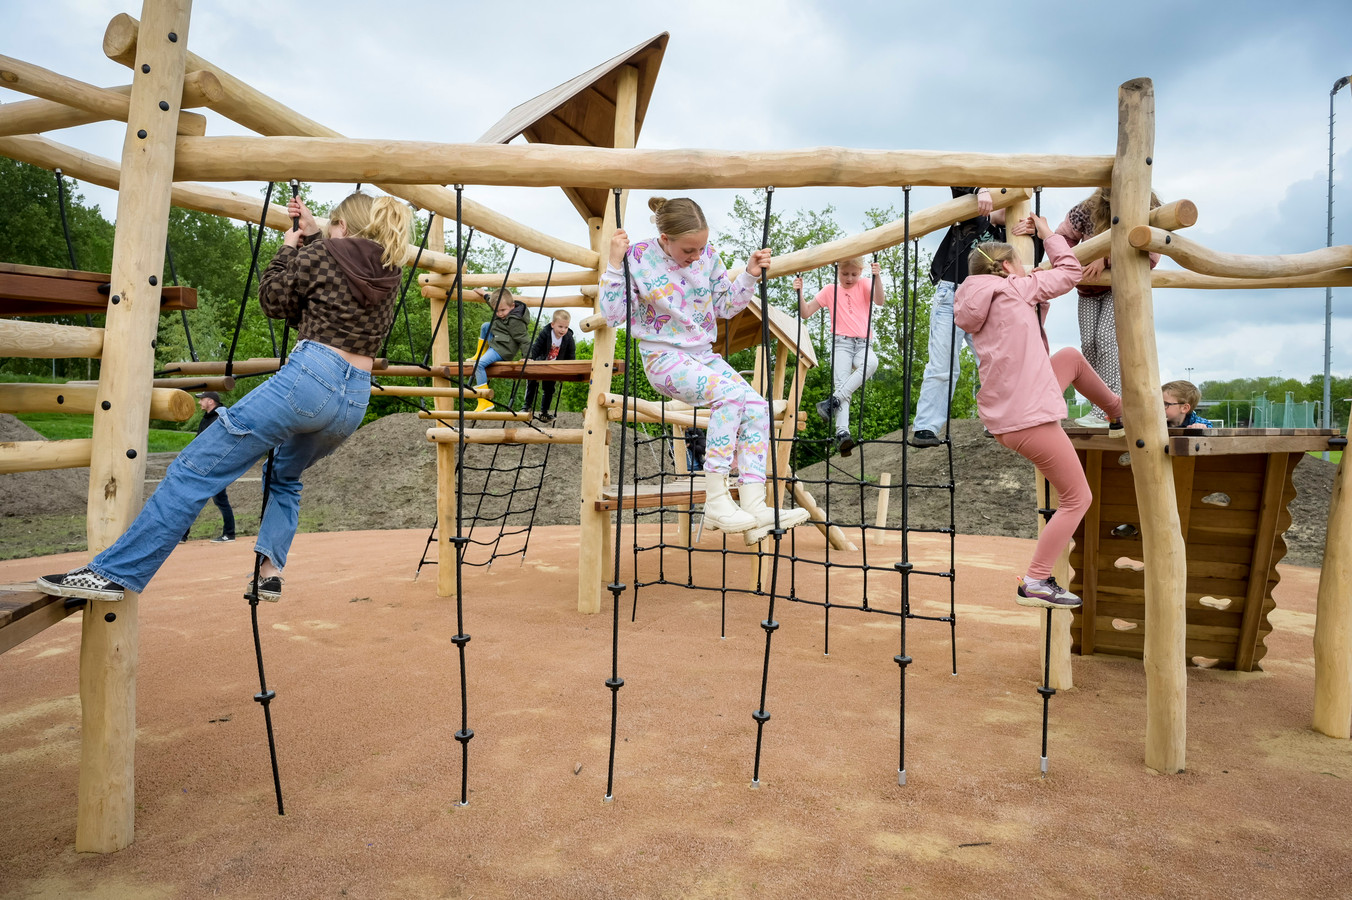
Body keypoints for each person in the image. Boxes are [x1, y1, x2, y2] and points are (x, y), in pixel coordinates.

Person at [39, 190, 412, 603]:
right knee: (285, 477)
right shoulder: (388, 270)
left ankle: (114, 573)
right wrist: (317, 230)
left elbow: (273, 299)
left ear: (340, 227)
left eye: (331, 225)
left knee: (195, 469)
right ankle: (270, 570)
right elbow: (336, 272)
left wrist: (288, 247)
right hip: (353, 399)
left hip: (312, 377)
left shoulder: (320, 256)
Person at [599, 196, 809, 544]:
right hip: (663, 358)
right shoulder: (637, 257)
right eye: (689, 250)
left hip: (702, 355)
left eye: (701, 247)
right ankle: (716, 498)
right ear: (665, 238)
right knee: (729, 396)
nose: (696, 256)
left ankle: (755, 504)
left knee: (756, 405)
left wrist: (750, 273)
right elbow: (613, 316)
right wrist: (612, 263)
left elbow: (726, 305)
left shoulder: (708, 256)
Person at [954, 214, 1124, 608]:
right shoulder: (1015, 288)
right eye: (1020, 264)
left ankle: (1117, 411)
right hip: (1028, 417)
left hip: (1009, 410)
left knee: (1069, 358)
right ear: (1008, 267)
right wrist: (1049, 234)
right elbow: (1069, 271)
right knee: (1077, 499)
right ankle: (1036, 579)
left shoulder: (976, 300)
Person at [1055, 187, 1162, 426]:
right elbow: (1062, 238)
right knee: (1089, 345)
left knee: (1105, 338)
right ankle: (1099, 403)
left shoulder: (1148, 212)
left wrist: (1104, 259)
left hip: (1120, 286)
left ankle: (1113, 405)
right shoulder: (1086, 210)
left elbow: (1151, 256)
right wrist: (1076, 258)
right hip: (1089, 289)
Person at [909, 186, 1006, 449]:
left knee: (993, 360)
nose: (1009, 213)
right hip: (952, 292)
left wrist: (1034, 234)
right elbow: (956, 183)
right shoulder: (976, 214)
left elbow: (1031, 263)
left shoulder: (1008, 238)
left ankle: (996, 420)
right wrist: (980, 191)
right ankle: (926, 427)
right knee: (943, 365)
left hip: (984, 301)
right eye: (1007, 205)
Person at [793, 256, 885, 457]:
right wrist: (799, 292)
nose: (849, 278)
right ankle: (842, 433)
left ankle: (831, 402)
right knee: (843, 383)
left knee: (871, 363)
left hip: (863, 343)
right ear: (837, 271)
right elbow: (806, 312)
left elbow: (880, 300)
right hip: (841, 343)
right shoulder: (830, 290)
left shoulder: (865, 284)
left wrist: (876, 276)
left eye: (854, 274)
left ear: (860, 273)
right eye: (845, 274)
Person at [179, 391, 236, 544]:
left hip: (213, 467)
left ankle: (229, 534)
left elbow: (215, 444)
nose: (199, 403)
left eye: (202, 400)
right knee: (197, 498)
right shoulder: (208, 418)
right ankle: (183, 535)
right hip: (203, 465)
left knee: (216, 500)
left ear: (211, 401)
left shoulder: (218, 419)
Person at [469, 287, 530, 413]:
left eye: (503, 310)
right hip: (498, 340)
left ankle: (484, 400)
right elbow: (492, 303)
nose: (500, 314)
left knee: (478, 365)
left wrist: (527, 356)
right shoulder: (501, 309)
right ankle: (480, 353)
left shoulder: (515, 321)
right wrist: (484, 294)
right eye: (497, 311)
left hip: (503, 350)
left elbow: (524, 339)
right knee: (485, 326)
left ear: (512, 306)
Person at [523, 309, 576, 422]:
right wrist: (530, 358)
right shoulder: (545, 333)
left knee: (549, 388)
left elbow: (571, 355)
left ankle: (544, 412)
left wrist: (569, 370)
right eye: (560, 326)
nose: (563, 330)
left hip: (554, 367)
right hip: (541, 362)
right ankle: (526, 406)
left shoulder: (568, 338)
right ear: (553, 325)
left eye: (566, 327)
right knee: (532, 382)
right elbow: (536, 347)